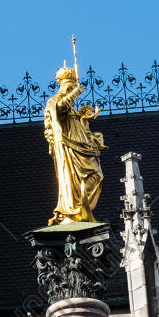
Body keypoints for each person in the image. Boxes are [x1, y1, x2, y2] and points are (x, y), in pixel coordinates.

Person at [44, 60, 105, 226]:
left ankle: (82, 208)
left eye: (72, 86)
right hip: (69, 148)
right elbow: (61, 107)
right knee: (74, 179)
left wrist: (84, 120)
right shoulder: (54, 102)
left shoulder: (71, 109)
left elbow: (75, 123)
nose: (71, 89)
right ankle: (73, 207)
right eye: (68, 87)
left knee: (96, 174)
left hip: (80, 146)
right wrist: (76, 91)